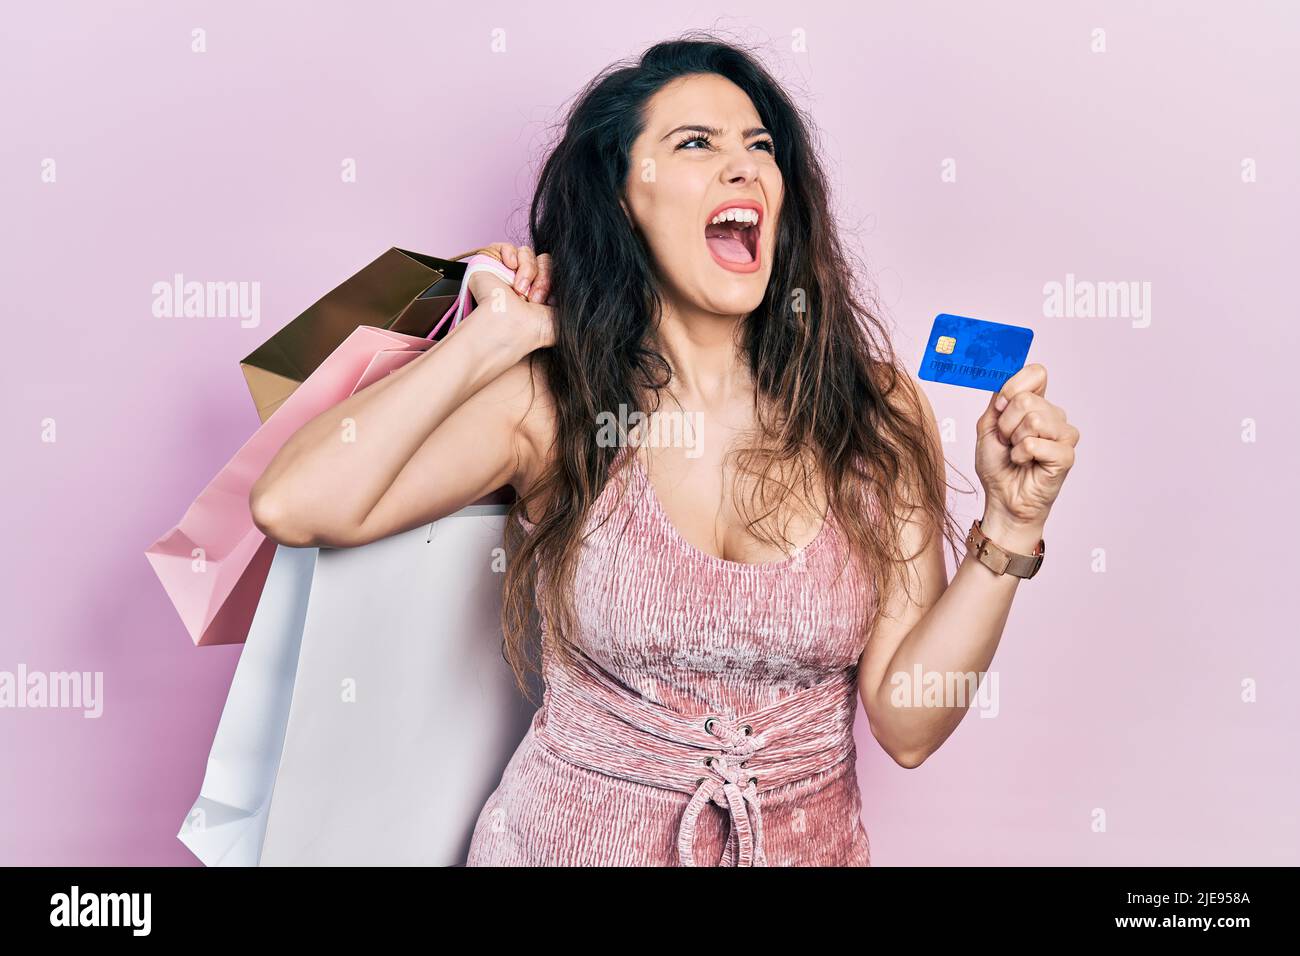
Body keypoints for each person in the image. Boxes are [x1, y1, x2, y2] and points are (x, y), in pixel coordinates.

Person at [249, 34, 1079, 867]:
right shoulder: (556, 404)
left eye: (760, 146)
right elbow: (293, 503)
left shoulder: (871, 410)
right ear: (623, 200)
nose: (743, 166)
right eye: (696, 144)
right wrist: (490, 340)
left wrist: (1010, 525)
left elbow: (909, 724)